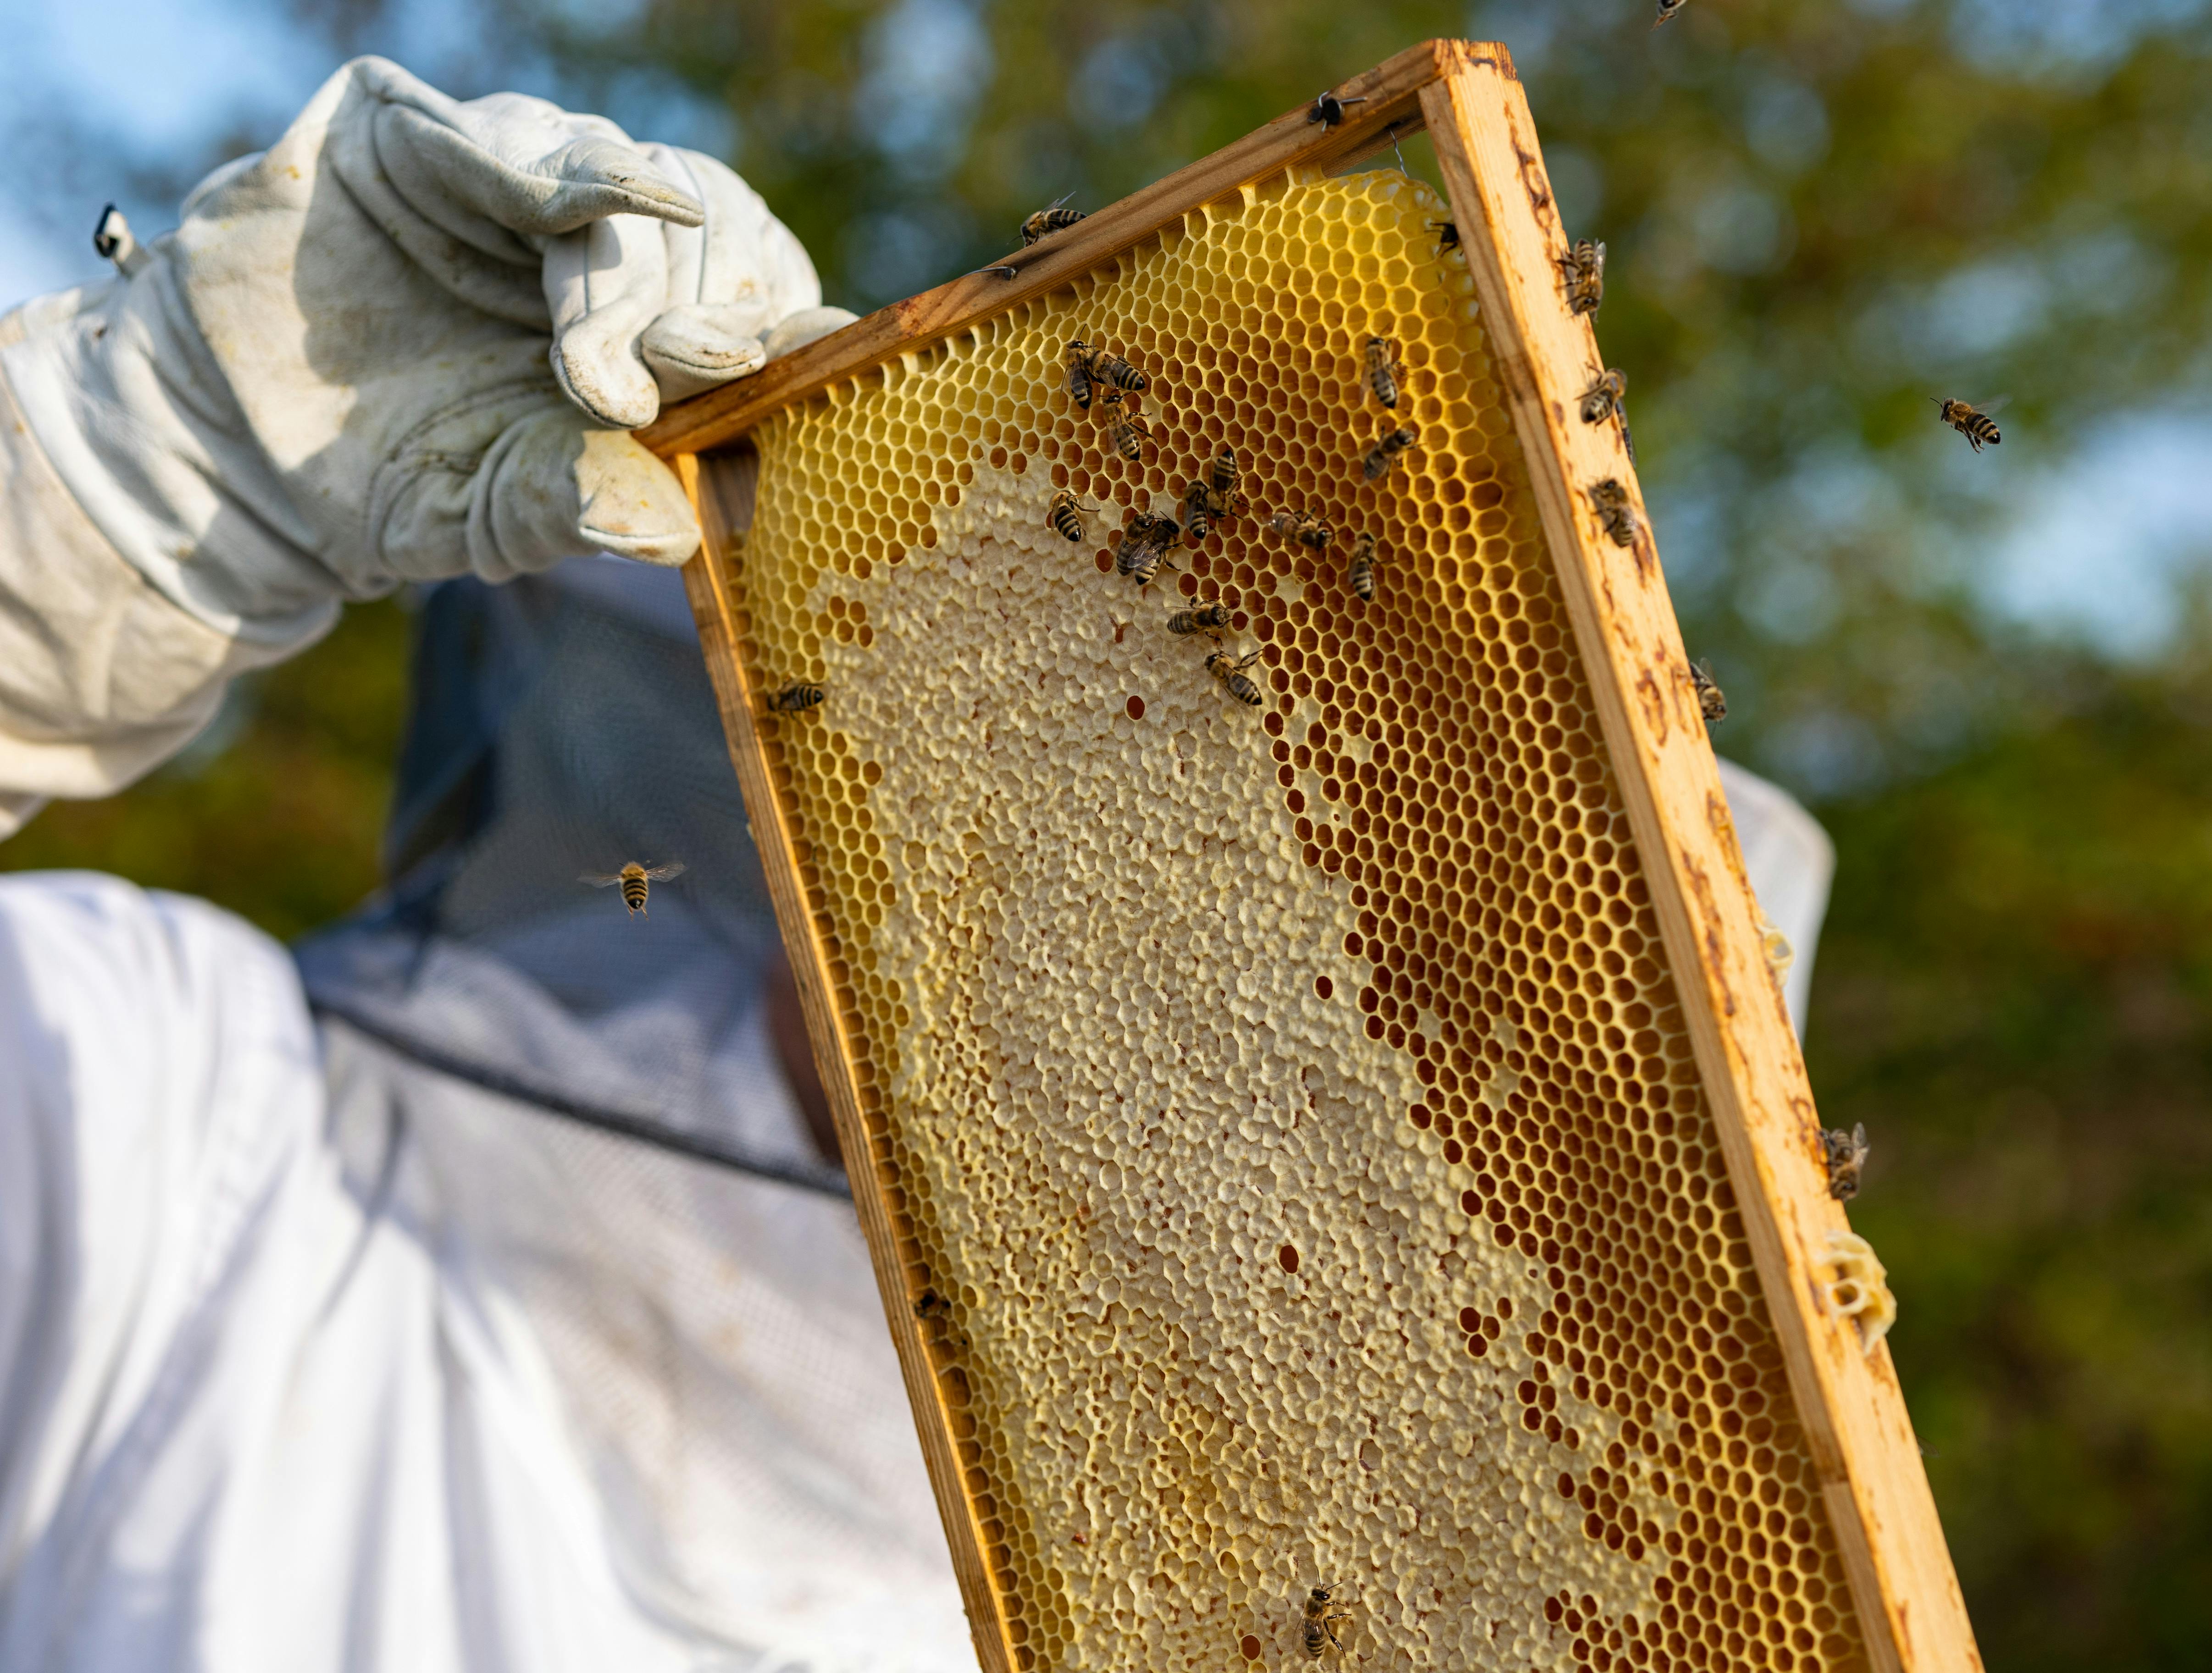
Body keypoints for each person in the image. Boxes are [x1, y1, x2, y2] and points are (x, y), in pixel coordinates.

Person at [0, 58, 1835, 1673]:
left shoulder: (1298, 1612)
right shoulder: (191, 1142)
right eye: (1129, 713)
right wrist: (114, 500)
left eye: (1393, 933)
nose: (1206, 904)